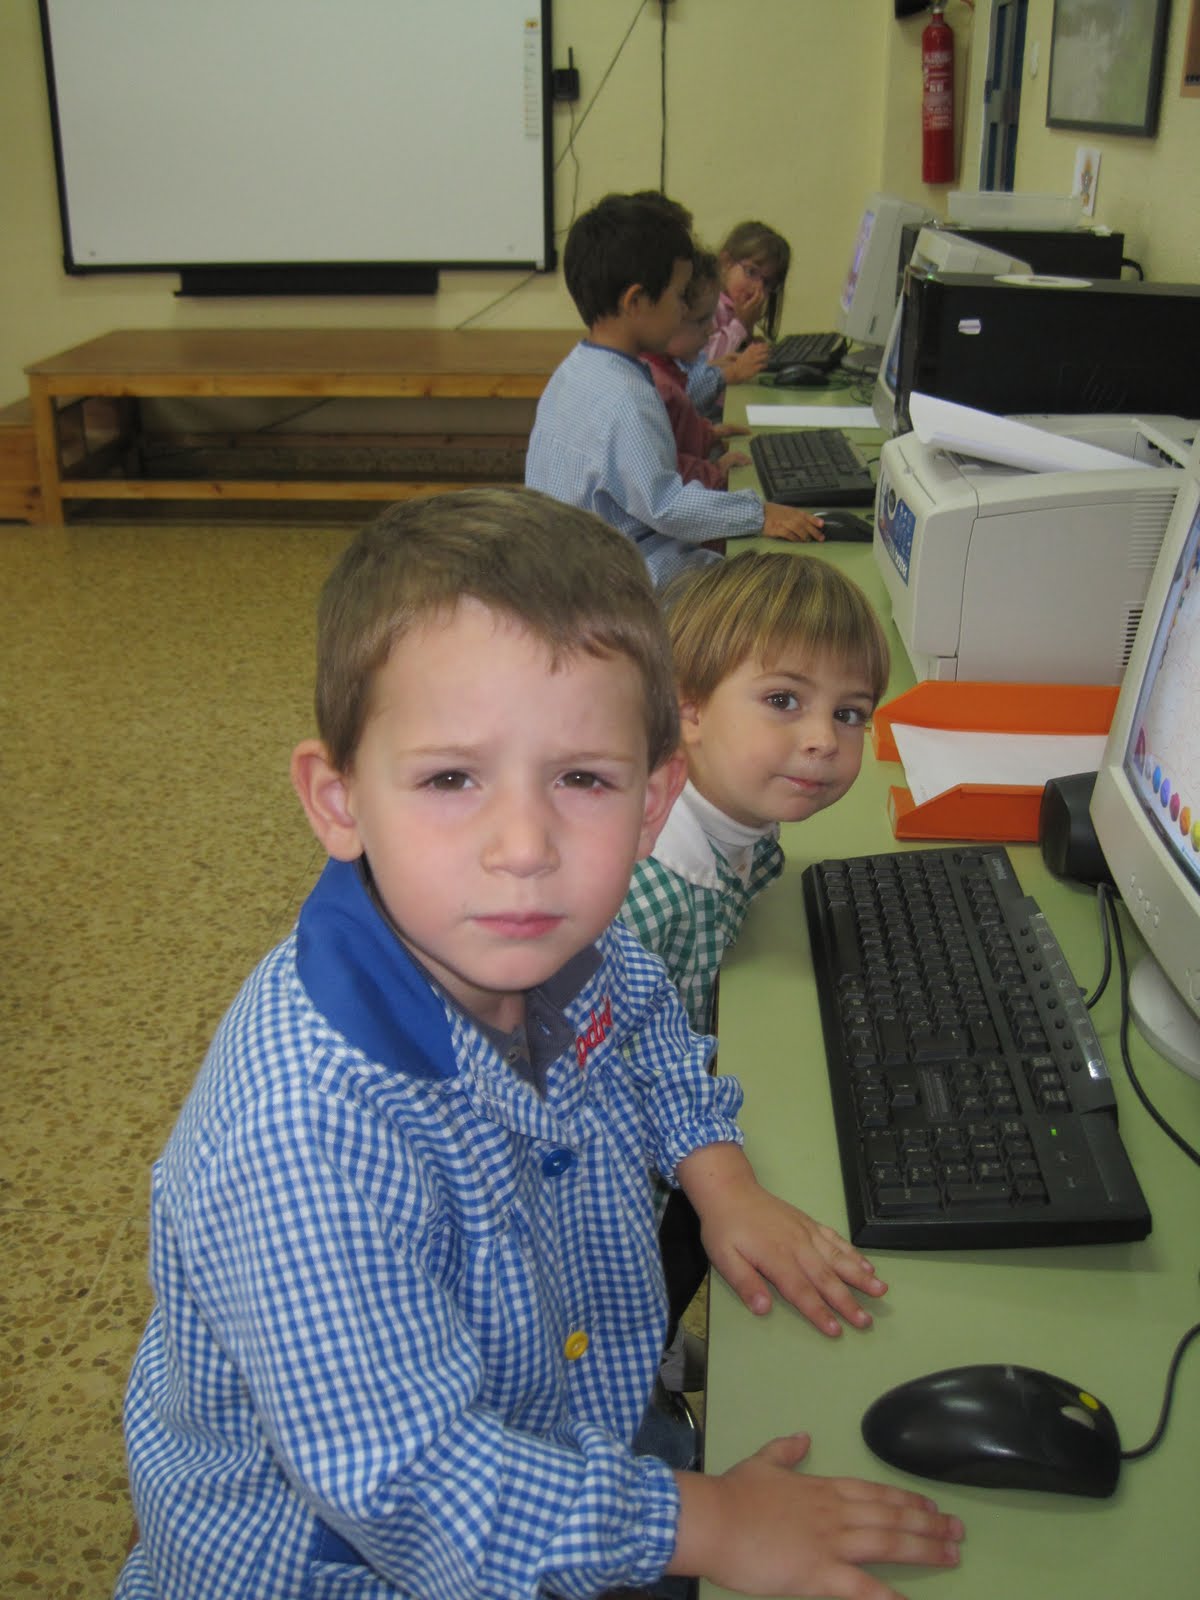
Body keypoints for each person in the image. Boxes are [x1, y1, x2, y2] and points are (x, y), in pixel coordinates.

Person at [115, 489, 961, 1600]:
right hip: (356, 1568)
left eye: (582, 779)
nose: (525, 848)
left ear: (654, 799)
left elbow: (651, 1014)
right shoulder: (305, 1133)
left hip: (564, 1418)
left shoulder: (557, 947)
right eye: (451, 778)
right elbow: (416, 1484)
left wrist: (720, 1179)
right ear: (337, 798)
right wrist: (711, 1522)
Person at [622, 549, 890, 1038]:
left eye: (848, 714)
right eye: (783, 700)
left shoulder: (735, 809)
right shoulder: (642, 909)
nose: (824, 740)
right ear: (690, 711)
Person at [525, 192, 824, 590]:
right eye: (678, 296)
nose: (685, 312)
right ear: (636, 301)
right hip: (615, 589)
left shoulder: (575, 370)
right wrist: (759, 514)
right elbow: (666, 505)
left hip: (570, 574)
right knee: (769, 586)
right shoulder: (625, 399)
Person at [643, 248, 752, 489]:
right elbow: (666, 469)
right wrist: (715, 473)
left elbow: (679, 432)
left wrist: (708, 434)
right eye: (701, 320)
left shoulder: (670, 368)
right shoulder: (657, 387)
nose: (712, 330)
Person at [703, 220, 793, 381]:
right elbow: (707, 362)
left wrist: (750, 343)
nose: (758, 288)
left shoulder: (737, 309)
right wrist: (742, 325)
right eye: (751, 272)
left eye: (767, 283)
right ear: (726, 263)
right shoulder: (710, 305)